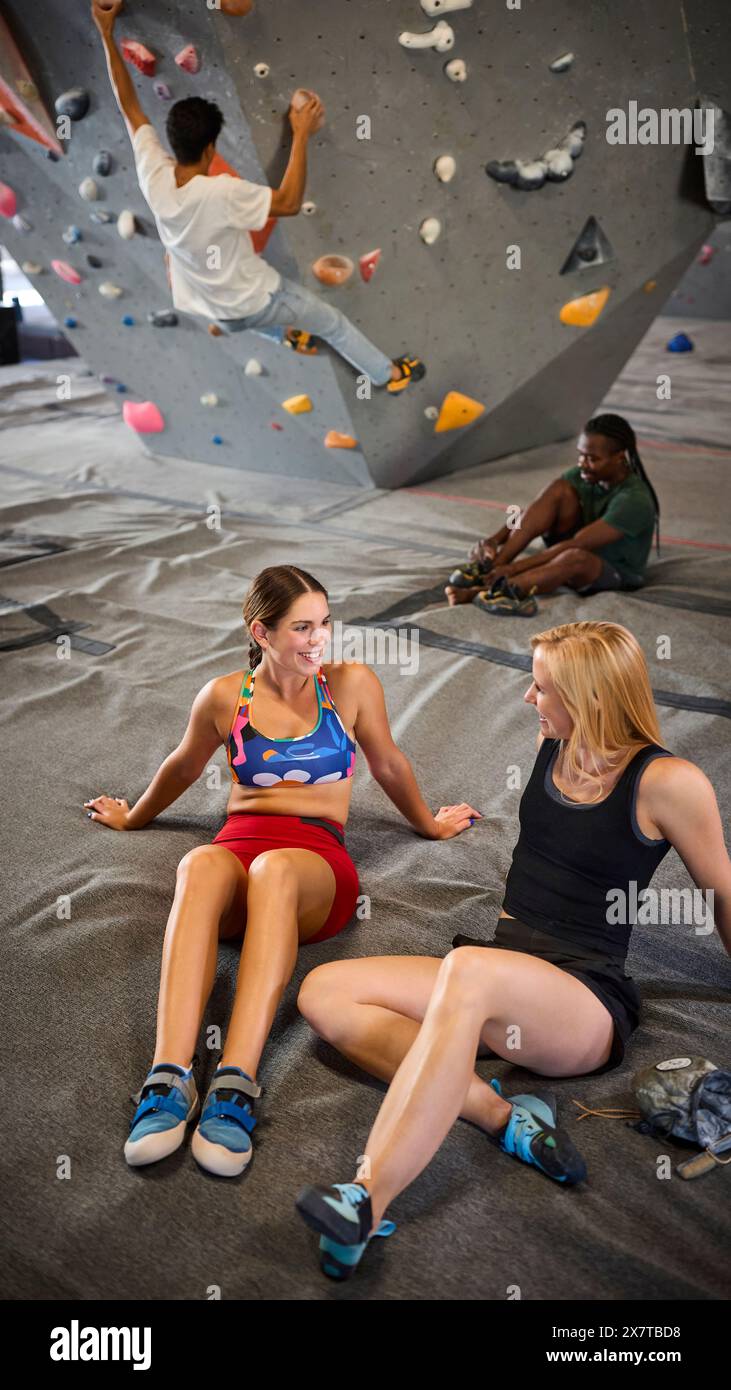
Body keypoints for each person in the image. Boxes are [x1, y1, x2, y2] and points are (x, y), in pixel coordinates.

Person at [294, 621, 731, 1280]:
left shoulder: (668, 782)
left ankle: (365, 1196)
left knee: (468, 972)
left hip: (580, 1003)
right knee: (322, 992)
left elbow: (722, 893)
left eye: (543, 687)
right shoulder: (552, 743)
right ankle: (501, 1117)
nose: (529, 699)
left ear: (589, 696)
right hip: (501, 974)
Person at [83, 565, 481, 1177]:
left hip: (314, 867)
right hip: (238, 848)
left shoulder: (350, 686)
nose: (318, 638)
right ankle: (170, 1077)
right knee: (200, 862)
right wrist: (134, 817)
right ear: (261, 632)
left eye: (324, 623)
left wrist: (429, 823)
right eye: (302, 627)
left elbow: (388, 763)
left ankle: (235, 1084)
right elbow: (183, 766)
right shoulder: (224, 696)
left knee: (274, 869)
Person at [91, 1, 425, 394]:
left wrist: (105, 32)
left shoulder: (153, 174)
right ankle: (389, 376)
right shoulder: (221, 192)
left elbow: (128, 105)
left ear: (172, 140)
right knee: (331, 323)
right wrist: (300, 134)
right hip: (256, 301)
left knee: (230, 314)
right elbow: (287, 204)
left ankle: (286, 336)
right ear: (211, 149)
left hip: (207, 303)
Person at [444, 415, 660, 617]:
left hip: (612, 571)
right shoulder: (585, 475)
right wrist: (494, 541)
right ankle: (491, 567)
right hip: (569, 548)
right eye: (581, 455)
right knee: (559, 489)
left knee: (575, 558)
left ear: (619, 458)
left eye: (592, 458)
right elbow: (531, 512)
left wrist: (513, 569)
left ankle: (491, 589)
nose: (583, 463)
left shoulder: (634, 500)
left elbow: (577, 545)